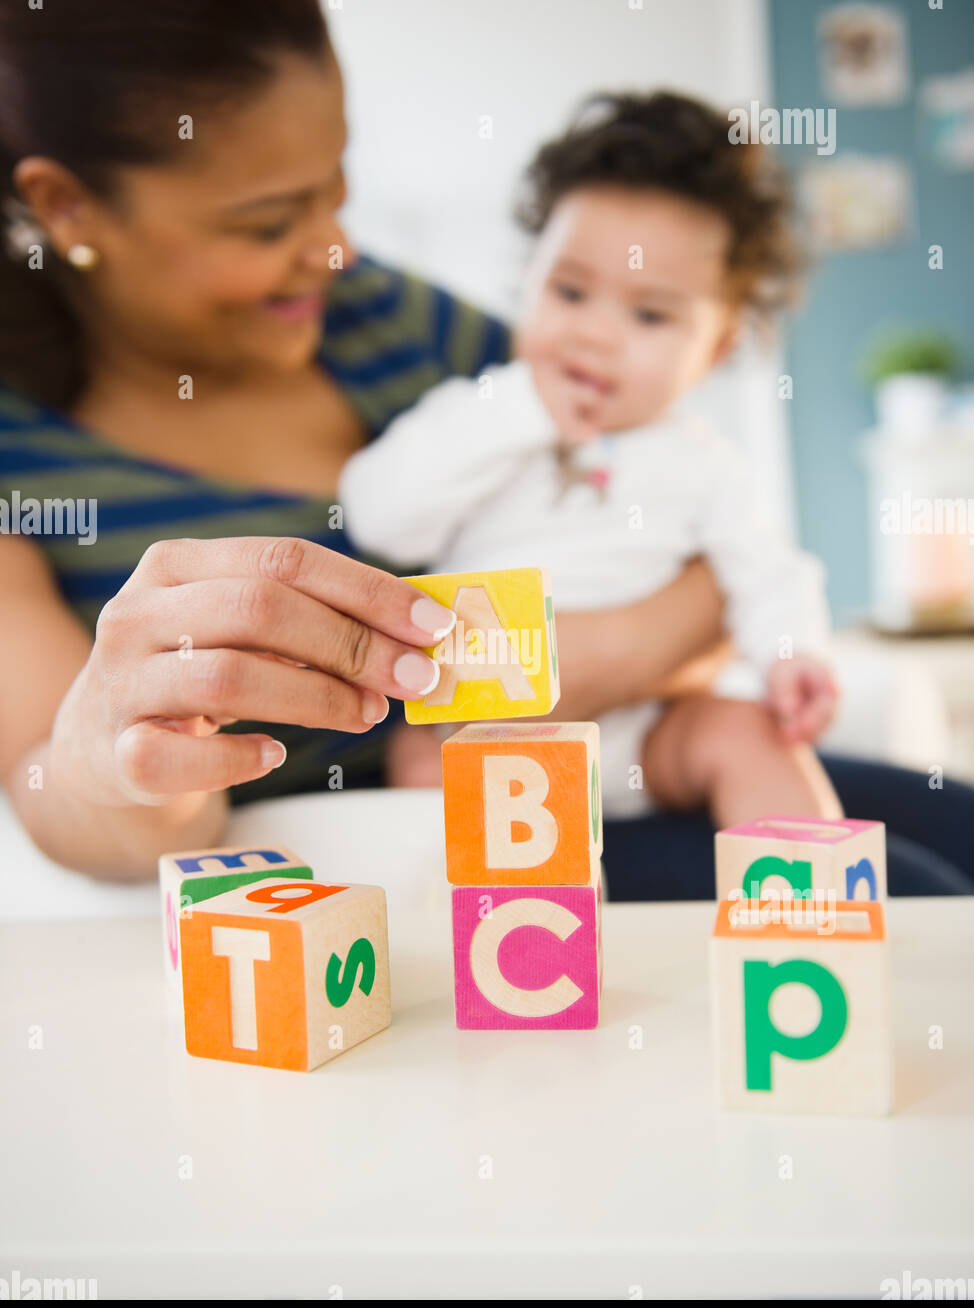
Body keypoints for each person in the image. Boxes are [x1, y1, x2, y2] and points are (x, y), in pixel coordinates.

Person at [0, 2, 971, 895]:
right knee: (916, 899)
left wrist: (736, 651)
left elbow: (711, 558)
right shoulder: (25, 458)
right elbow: (63, 793)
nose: (335, 250)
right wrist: (115, 758)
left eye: (336, 188)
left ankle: (811, 906)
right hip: (422, 821)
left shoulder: (385, 316)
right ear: (67, 205)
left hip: (641, 735)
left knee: (945, 836)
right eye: (267, 221)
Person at [340, 92, 843, 829]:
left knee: (753, 737)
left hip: (647, 730)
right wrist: (518, 409)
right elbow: (379, 518)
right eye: (570, 292)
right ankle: (502, 901)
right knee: (417, 761)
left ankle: (803, 893)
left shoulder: (707, 465)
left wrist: (793, 656)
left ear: (719, 347)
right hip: (485, 736)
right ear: (529, 282)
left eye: (649, 314)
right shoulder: (482, 413)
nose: (596, 336)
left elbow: (768, 573)